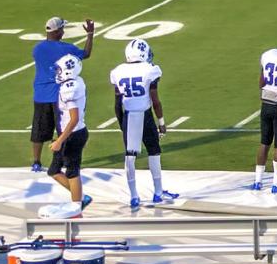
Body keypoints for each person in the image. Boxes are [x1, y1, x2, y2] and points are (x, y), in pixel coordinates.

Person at [109, 39, 171, 210]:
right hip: (145, 115)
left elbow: (117, 104)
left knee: (130, 156)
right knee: (154, 151)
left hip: (129, 116)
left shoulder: (118, 71)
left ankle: (134, 196)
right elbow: (155, 101)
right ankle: (158, 192)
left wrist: (122, 123)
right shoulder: (150, 70)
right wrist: (161, 122)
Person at [30, 18, 95, 176]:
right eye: (62, 29)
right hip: (59, 96)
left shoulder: (37, 49)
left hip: (40, 94)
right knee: (63, 129)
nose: (64, 31)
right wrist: (90, 35)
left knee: (38, 131)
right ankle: (65, 159)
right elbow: (86, 54)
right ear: (58, 31)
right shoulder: (67, 49)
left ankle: (36, 162)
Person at [44, 56, 91, 217]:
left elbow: (74, 118)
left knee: (72, 171)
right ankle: (81, 198)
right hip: (70, 133)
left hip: (73, 134)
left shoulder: (69, 88)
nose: (57, 72)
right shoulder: (75, 82)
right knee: (54, 170)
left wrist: (59, 140)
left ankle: (76, 207)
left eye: (59, 69)